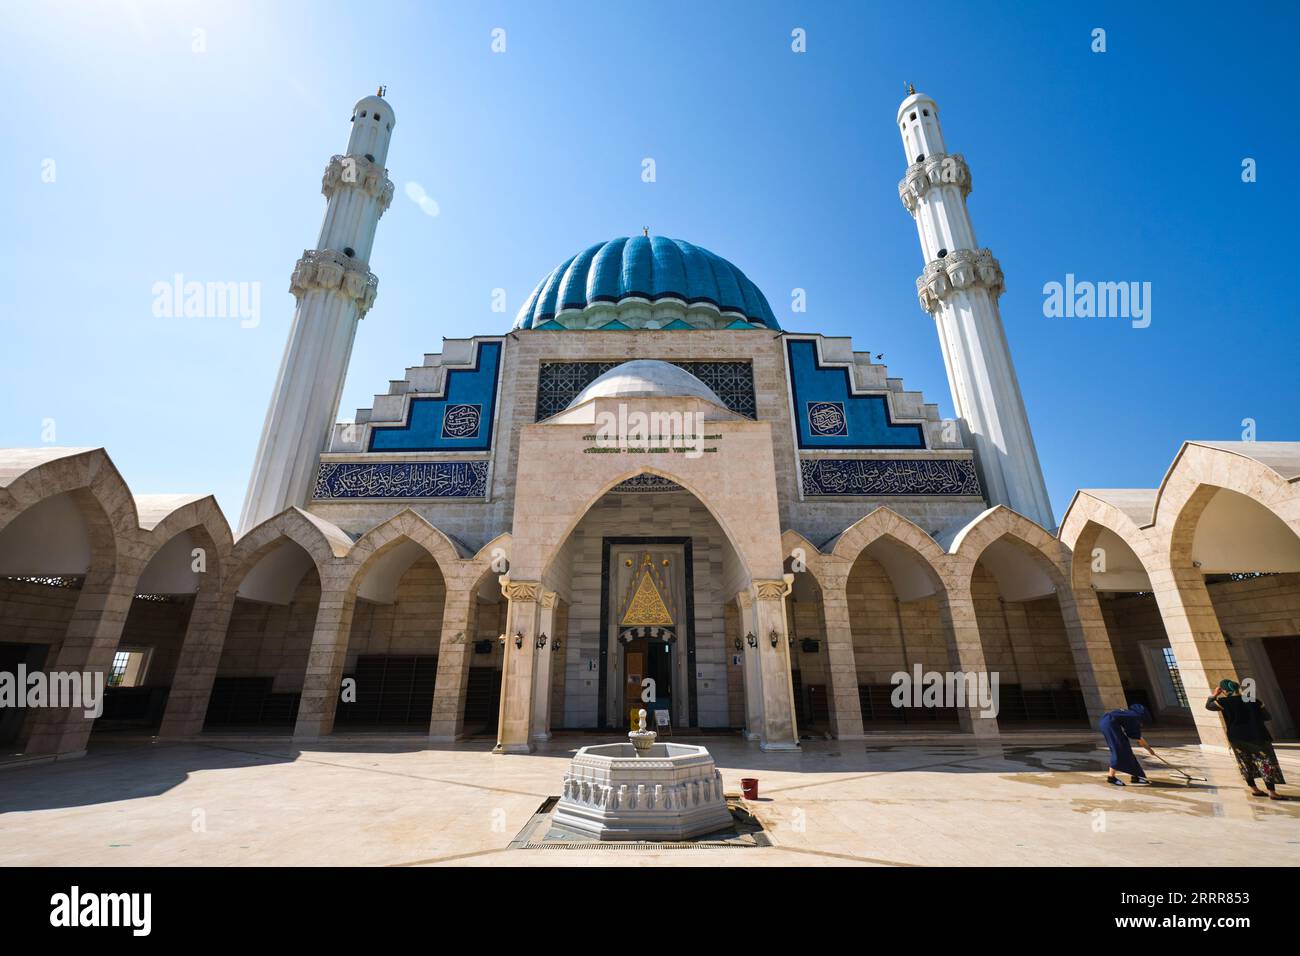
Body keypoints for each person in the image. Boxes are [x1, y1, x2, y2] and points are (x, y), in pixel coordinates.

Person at [1208, 679, 1288, 800]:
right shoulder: (1253, 700)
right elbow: (1267, 716)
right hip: (1258, 736)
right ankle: (1272, 792)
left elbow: (1208, 706)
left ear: (1224, 691)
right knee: (1265, 762)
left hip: (1237, 737)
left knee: (1245, 762)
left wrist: (1214, 695)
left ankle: (1255, 789)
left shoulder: (1224, 702)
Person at [1099, 703, 1153, 786]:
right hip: (1110, 725)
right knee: (1119, 750)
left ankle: (1136, 776)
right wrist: (1149, 749)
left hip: (1106, 722)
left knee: (1126, 750)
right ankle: (1111, 777)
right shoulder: (1135, 718)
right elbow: (1139, 739)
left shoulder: (1129, 713)